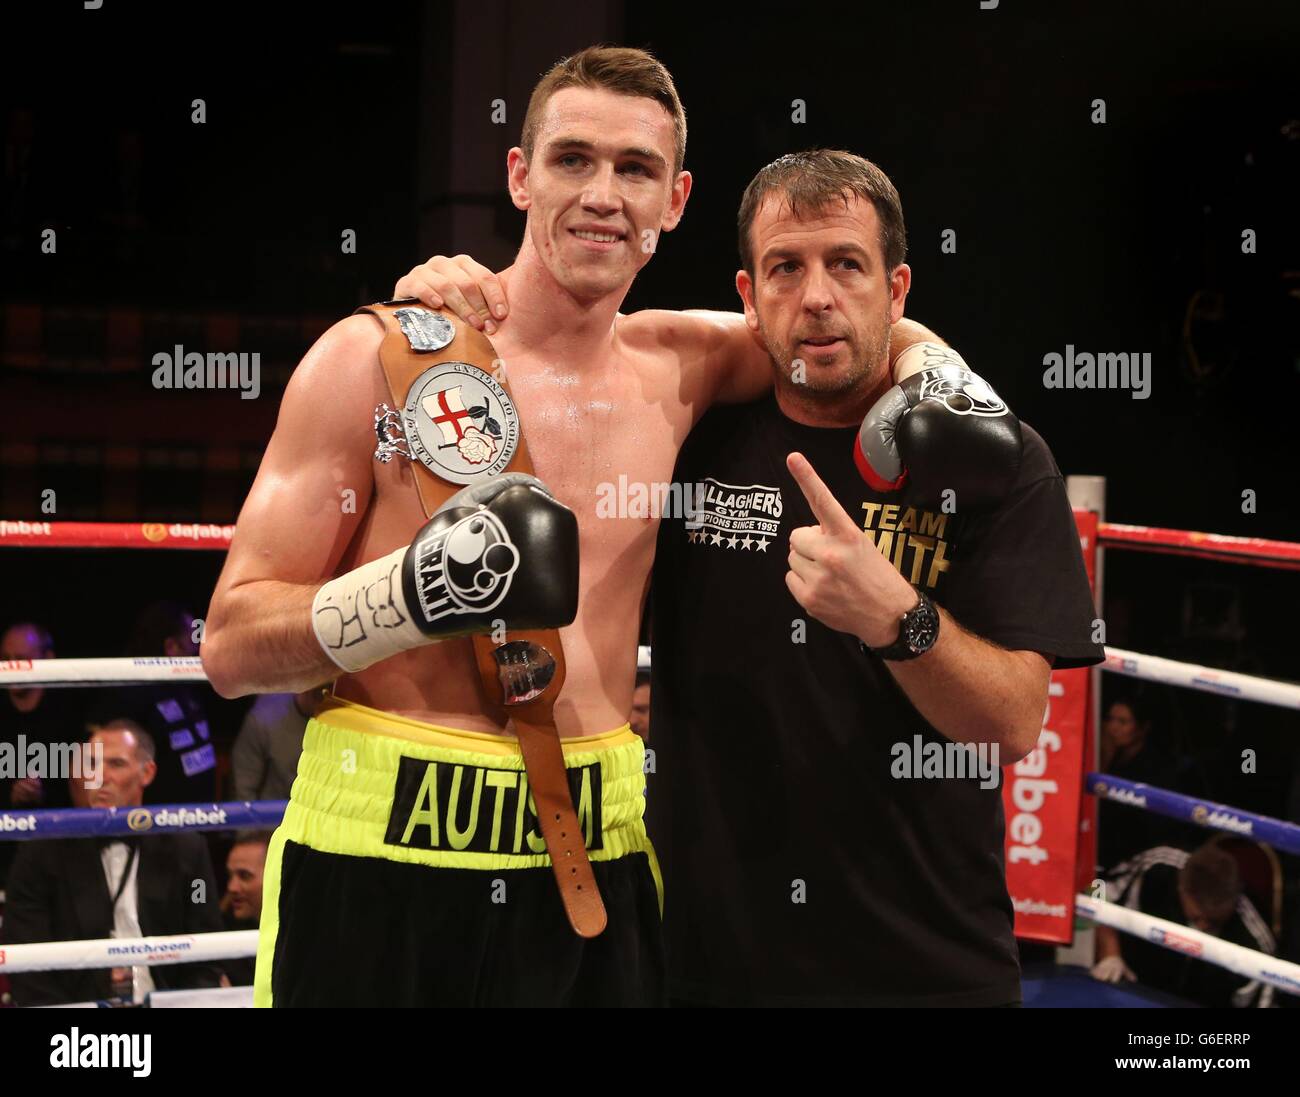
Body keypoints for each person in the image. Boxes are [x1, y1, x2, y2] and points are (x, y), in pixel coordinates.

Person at [3, 720, 225, 1005]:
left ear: (147, 773)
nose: (99, 776)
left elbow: (206, 946)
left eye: (116, 764)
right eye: (90, 764)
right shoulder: (40, 853)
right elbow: (27, 965)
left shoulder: (187, 850)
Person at [1092, 840, 1276, 1007]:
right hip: (1131, 989)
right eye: (1197, 917)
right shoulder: (1157, 869)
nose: (1203, 927)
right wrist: (1110, 954)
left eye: (1214, 922)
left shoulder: (1255, 942)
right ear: (1182, 890)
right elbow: (1098, 885)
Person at [94, 601, 218, 805]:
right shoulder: (133, 696)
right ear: (171, 647)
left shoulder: (191, 685)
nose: (199, 645)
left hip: (204, 817)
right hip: (158, 823)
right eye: (191, 639)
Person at [231, 688, 321, 801]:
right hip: (273, 814)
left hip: (322, 810)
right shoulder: (263, 720)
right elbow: (243, 793)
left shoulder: (339, 723)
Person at [219, 831, 270, 986]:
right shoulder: (224, 944)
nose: (232, 887)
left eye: (244, 876)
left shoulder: (306, 936)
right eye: (230, 876)